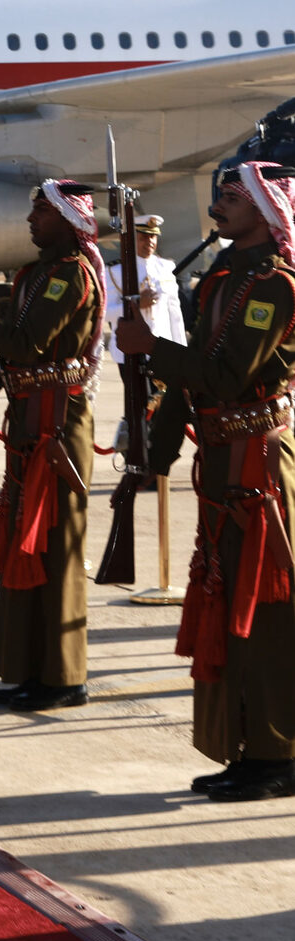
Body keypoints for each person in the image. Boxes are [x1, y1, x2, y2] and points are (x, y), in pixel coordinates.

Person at [128, 162, 295, 801]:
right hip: (223, 462)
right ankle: (244, 749)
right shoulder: (227, 276)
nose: (219, 206)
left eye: (234, 197)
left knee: (267, 614)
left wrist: (150, 347)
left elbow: (224, 377)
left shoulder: (273, 286)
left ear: (264, 208)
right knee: (228, 610)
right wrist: (155, 454)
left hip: (258, 466)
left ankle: (276, 755)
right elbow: (196, 380)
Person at [0, 179, 105, 713]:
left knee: (56, 548)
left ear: (67, 219)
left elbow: (25, 343)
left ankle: (63, 676)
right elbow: (1, 360)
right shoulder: (35, 276)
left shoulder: (72, 276)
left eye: (42, 212)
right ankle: (32, 668)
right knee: (23, 544)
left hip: (59, 424)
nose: (31, 221)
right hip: (28, 421)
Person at [105, 213, 185, 451]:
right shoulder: (116, 273)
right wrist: (137, 304)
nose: (148, 242)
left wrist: (181, 351)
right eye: (143, 237)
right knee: (138, 407)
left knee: (163, 407)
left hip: (161, 349)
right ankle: (137, 459)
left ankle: (155, 462)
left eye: (152, 238)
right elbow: (106, 314)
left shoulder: (165, 268)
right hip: (129, 352)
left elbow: (175, 314)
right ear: (132, 240)